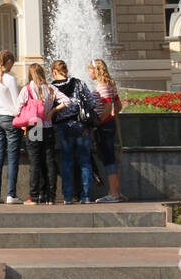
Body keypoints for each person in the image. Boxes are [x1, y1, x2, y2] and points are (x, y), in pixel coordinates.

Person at [50, 60, 96, 205]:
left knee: (67, 161)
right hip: (82, 126)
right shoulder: (79, 83)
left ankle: (68, 197)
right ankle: (86, 196)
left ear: (54, 72)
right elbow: (92, 102)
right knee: (85, 161)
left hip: (64, 127)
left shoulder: (51, 88)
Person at [16, 64, 59, 206]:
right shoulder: (50, 88)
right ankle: (50, 197)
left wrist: (23, 120)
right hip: (47, 127)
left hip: (34, 128)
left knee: (35, 162)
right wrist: (52, 112)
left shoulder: (27, 89)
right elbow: (67, 101)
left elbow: (16, 109)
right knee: (49, 161)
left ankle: (34, 197)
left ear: (30, 74)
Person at [0, 50, 22, 205]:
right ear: (8, 62)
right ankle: (11, 195)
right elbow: (17, 103)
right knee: (12, 157)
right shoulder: (10, 79)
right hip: (9, 119)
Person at [89, 59, 126, 203]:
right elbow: (118, 106)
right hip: (109, 125)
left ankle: (113, 194)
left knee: (109, 159)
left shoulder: (102, 86)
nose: (89, 73)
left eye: (90, 70)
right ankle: (116, 191)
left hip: (103, 127)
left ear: (96, 71)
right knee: (112, 159)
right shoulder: (110, 85)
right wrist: (110, 118)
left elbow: (108, 107)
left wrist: (97, 123)